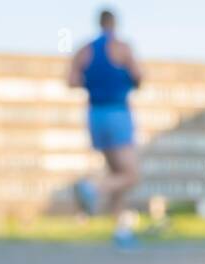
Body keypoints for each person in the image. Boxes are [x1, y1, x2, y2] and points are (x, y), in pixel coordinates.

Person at [68, 9, 142, 245]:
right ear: (114, 24)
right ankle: (91, 188)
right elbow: (139, 77)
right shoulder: (122, 47)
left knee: (116, 174)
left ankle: (121, 233)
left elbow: (71, 81)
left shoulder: (84, 50)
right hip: (117, 112)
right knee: (130, 175)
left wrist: (93, 81)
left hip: (95, 114)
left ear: (98, 23)